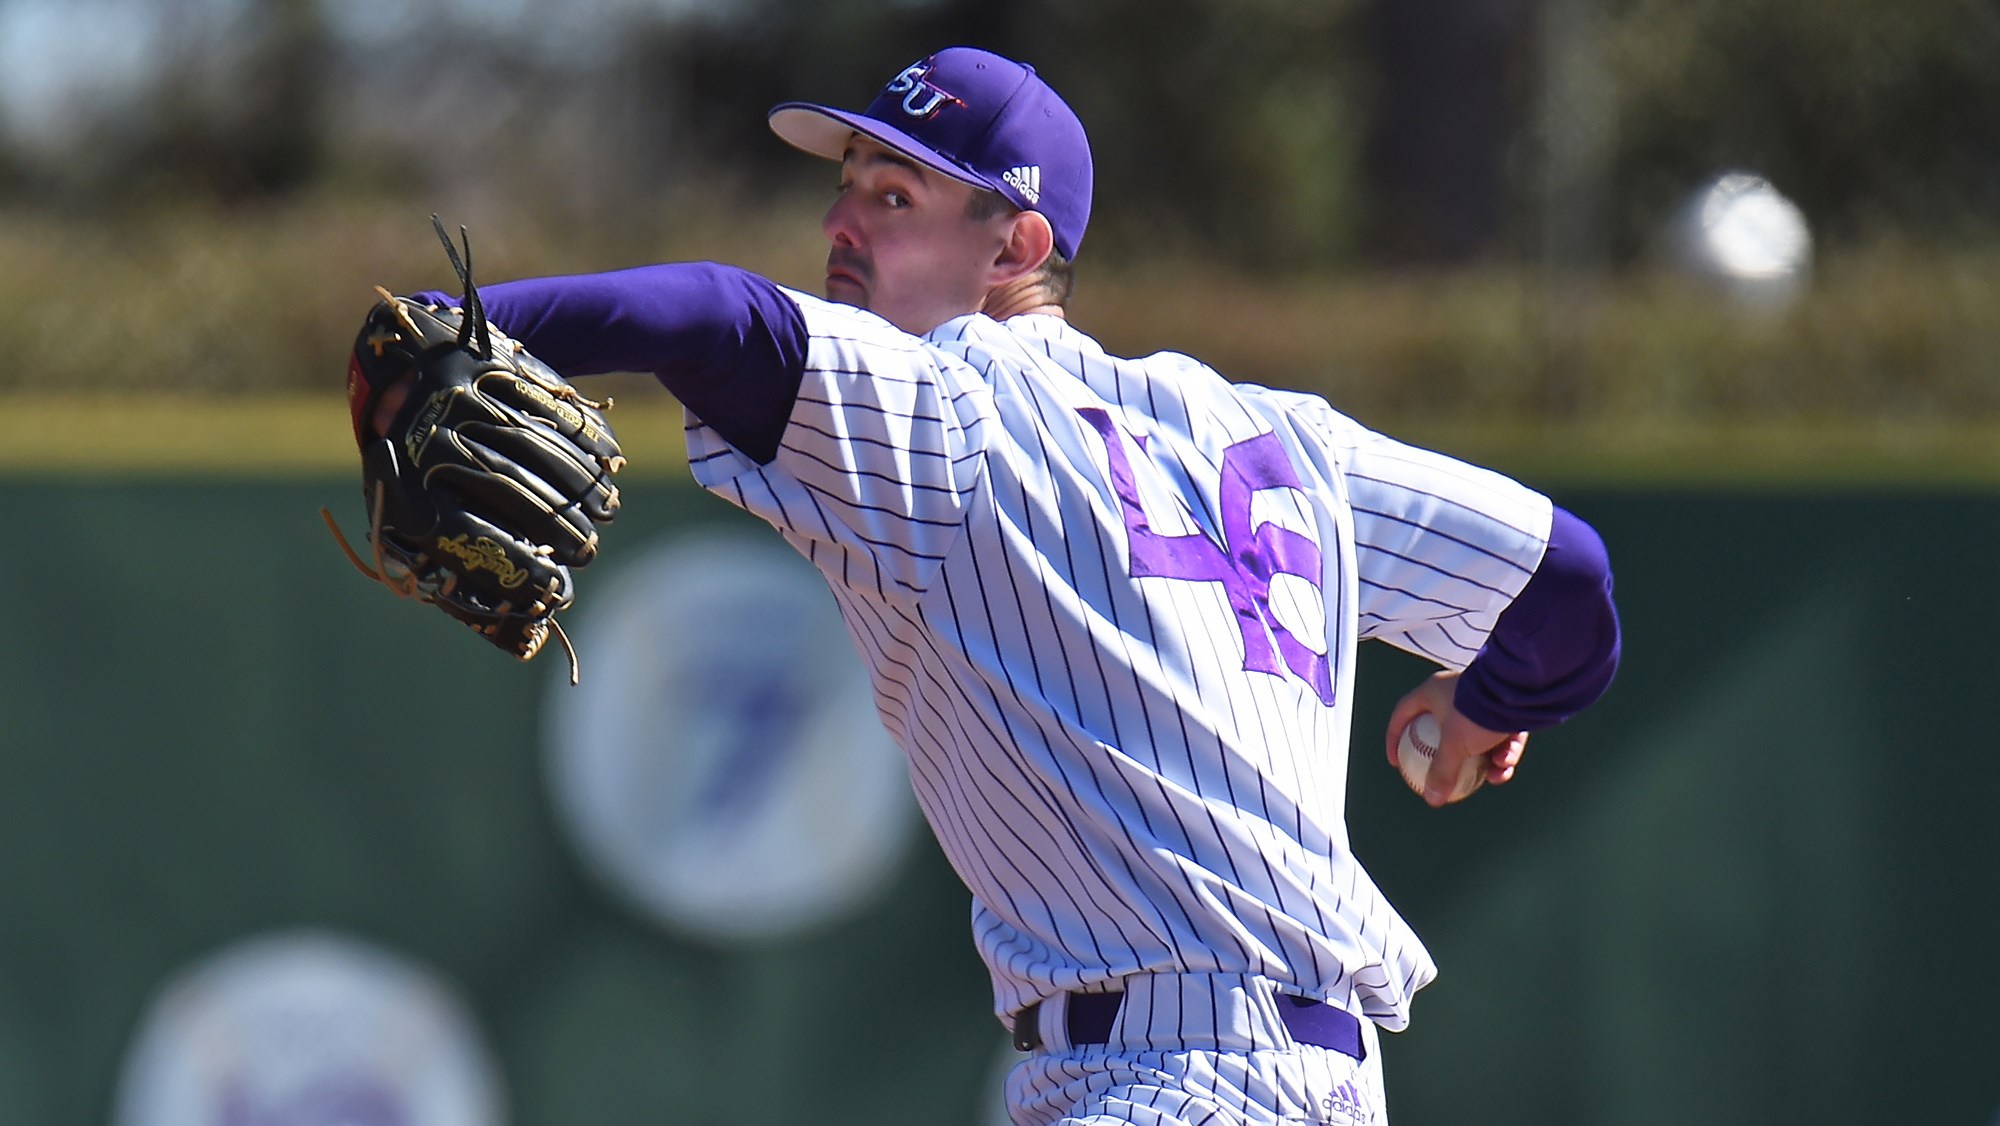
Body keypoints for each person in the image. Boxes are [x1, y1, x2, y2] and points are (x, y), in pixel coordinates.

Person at [373, 46, 1620, 1126]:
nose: (841, 225)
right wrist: (1486, 710)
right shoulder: (1280, 440)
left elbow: (715, 318)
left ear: (1016, 245)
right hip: (1308, 1087)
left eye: (896, 193)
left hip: (1170, 1078)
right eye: (845, 188)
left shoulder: (956, 409)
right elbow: (1566, 579)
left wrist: (446, 321)